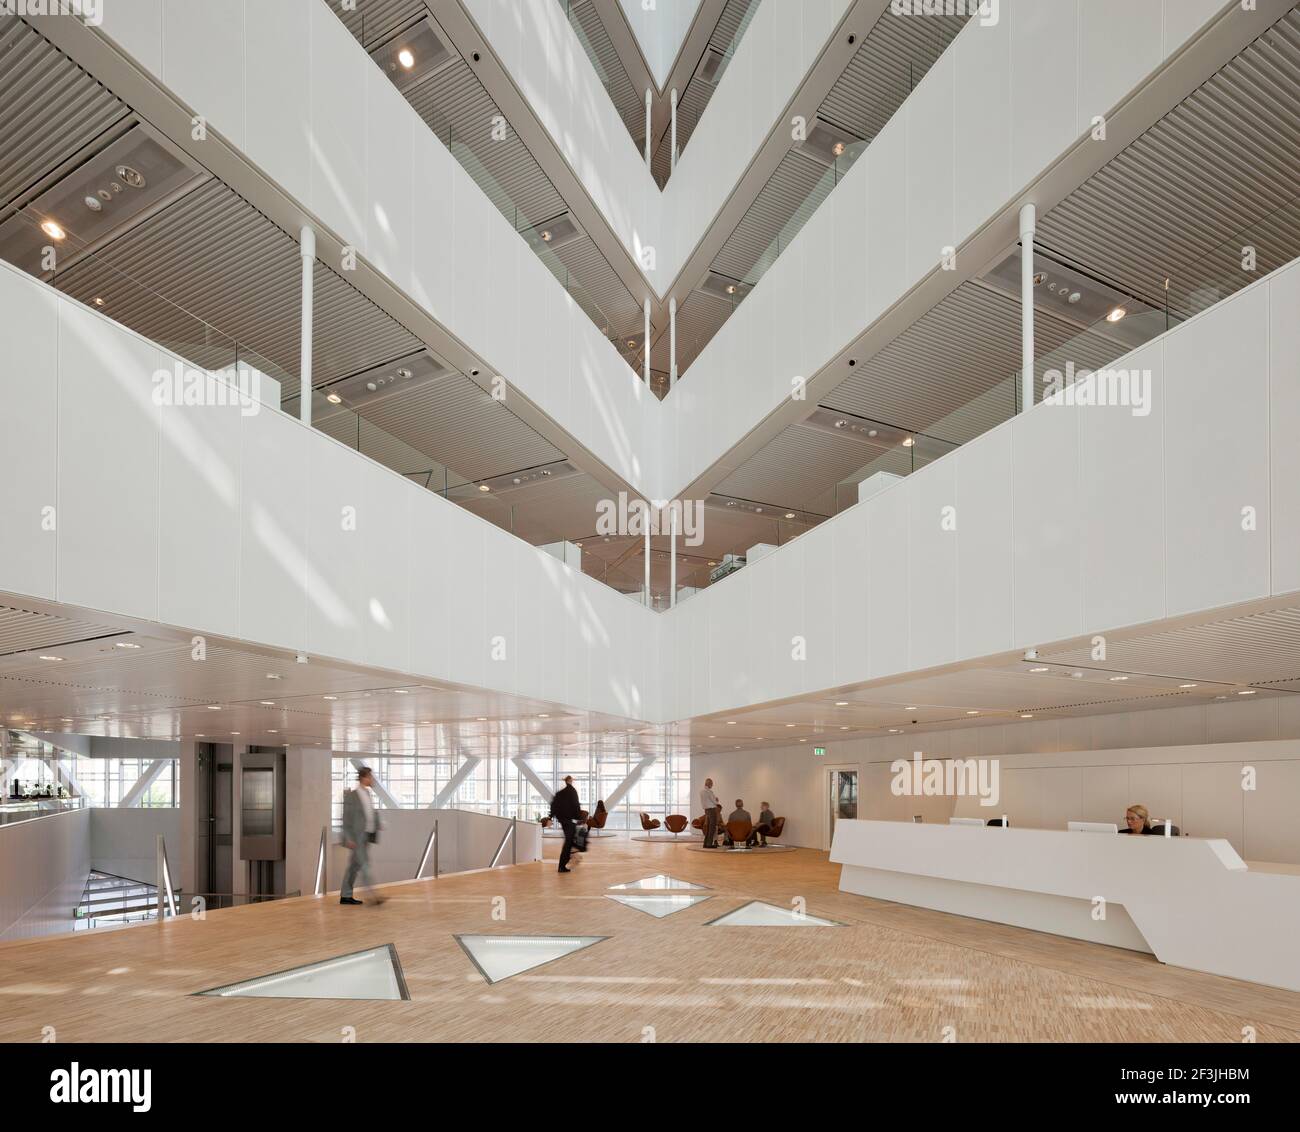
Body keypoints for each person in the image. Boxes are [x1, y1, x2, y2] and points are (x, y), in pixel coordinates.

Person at [340, 766, 384, 906]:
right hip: (356, 837)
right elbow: (346, 819)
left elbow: (369, 813)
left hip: (367, 836)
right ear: (364, 777)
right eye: (370, 777)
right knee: (365, 865)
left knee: (354, 866)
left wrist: (378, 824)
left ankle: (345, 896)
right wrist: (348, 838)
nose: (372, 779)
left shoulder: (367, 794)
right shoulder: (352, 796)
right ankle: (373, 896)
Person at [550, 774, 582, 872]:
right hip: (569, 820)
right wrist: (579, 818)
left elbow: (554, 805)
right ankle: (562, 864)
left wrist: (551, 816)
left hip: (563, 820)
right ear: (570, 781)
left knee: (569, 841)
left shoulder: (560, 793)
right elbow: (576, 805)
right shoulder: (572, 791)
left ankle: (566, 860)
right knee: (569, 842)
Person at [699, 777, 720, 848]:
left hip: (706, 810)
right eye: (712, 784)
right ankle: (709, 844)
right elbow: (714, 801)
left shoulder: (701, 791)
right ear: (709, 784)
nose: (712, 785)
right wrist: (716, 800)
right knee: (712, 828)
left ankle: (705, 843)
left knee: (708, 827)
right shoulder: (709, 792)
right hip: (711, 810)